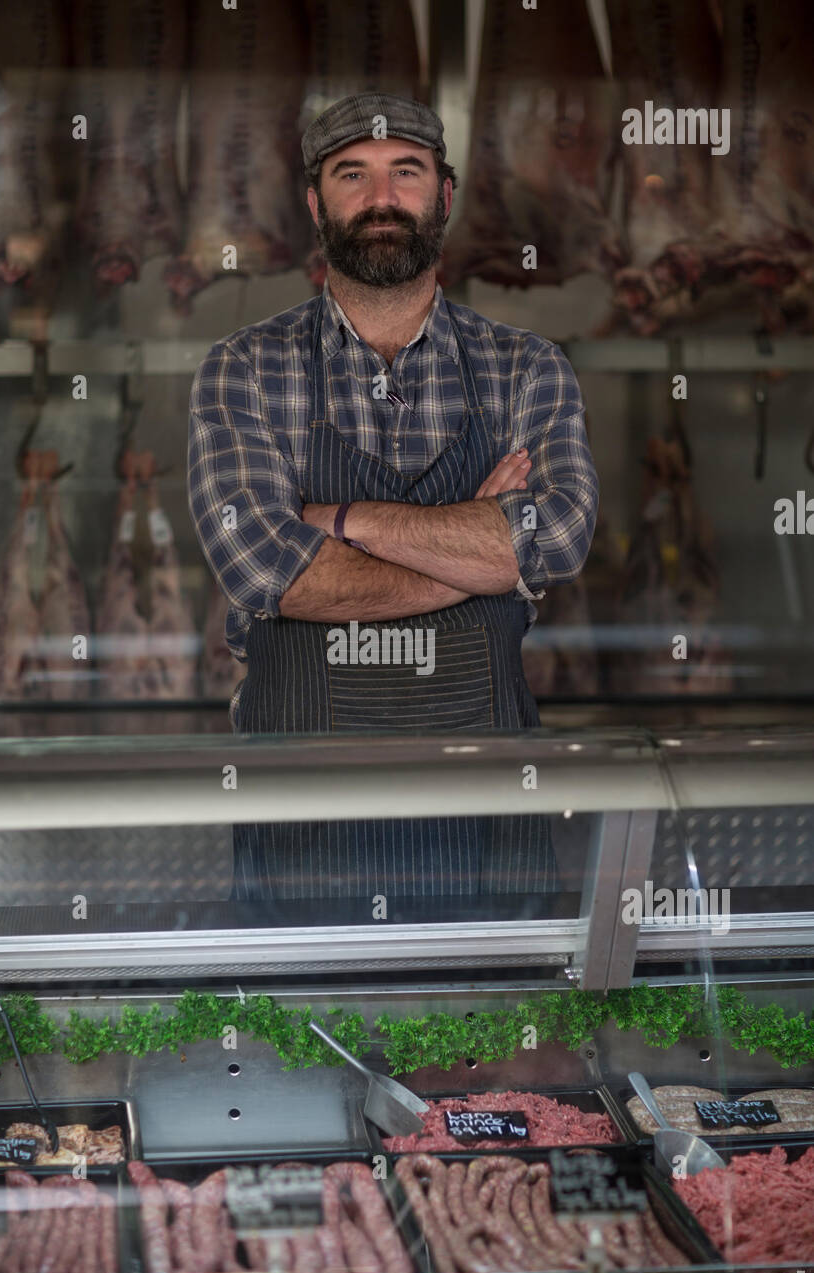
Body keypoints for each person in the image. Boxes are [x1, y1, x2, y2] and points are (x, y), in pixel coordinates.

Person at [188, 92, 598, 919]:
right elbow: (271, 571)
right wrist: (480, 558)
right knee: (300, 1045)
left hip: (489, 825)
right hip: (303, 825)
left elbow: (553, 539)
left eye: (405, 172)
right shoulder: (242, 369)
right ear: (315, 203)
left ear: (443, 195)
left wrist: (345, 520)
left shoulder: (528, 367)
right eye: (353, 175)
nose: (381, 197)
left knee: (502, 1049)